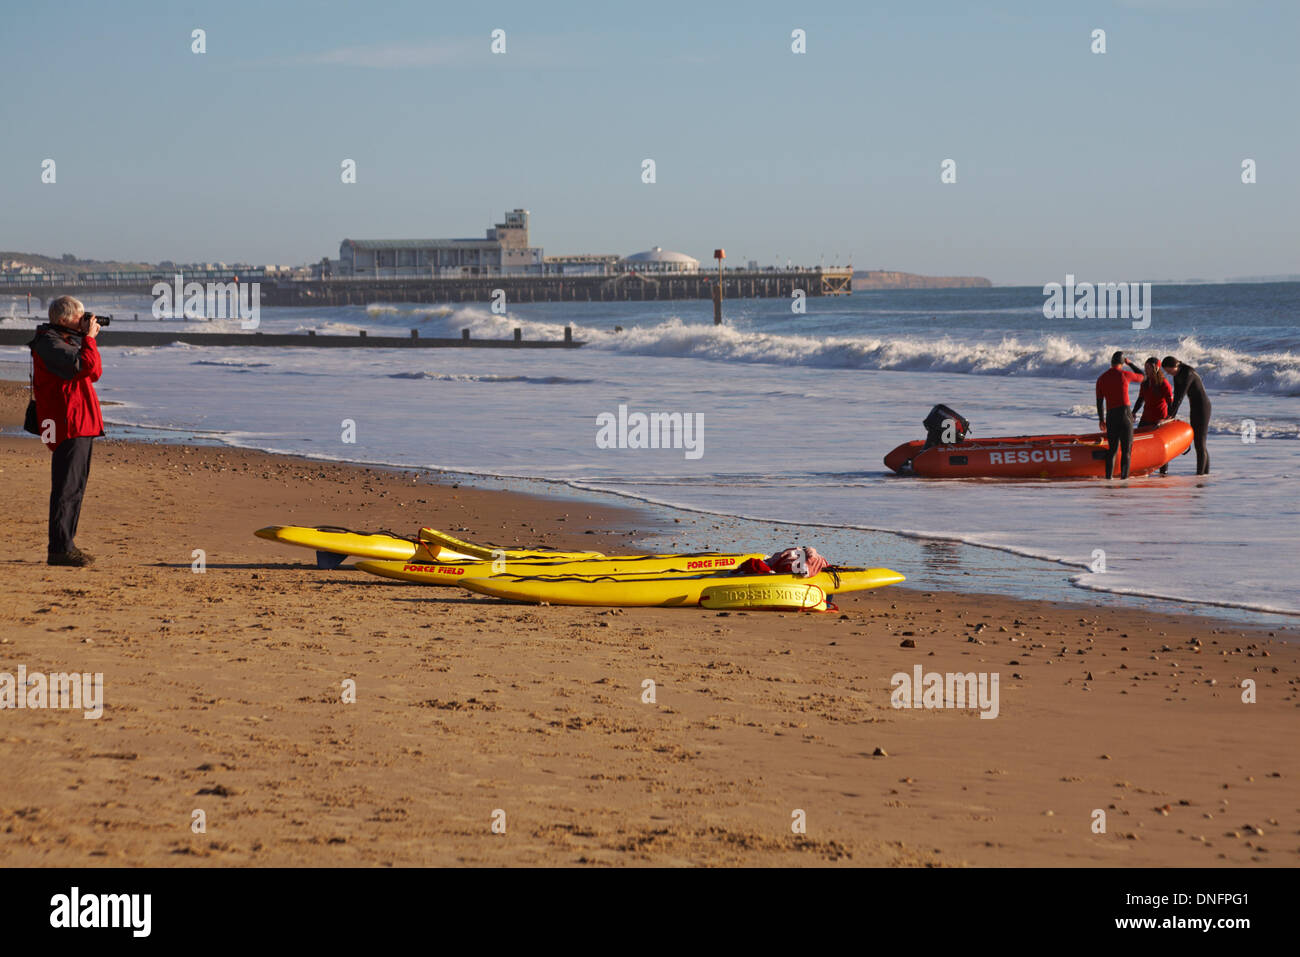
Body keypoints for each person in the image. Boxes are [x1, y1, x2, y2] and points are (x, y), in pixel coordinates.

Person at [28, 296, 104, 565]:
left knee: (75, 487)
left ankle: (66, 544)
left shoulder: (64, 340)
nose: (84, 322)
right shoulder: (49, 343)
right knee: (66, 487)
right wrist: (89, 339)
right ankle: (59, 549)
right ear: (63, 319)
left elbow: (93, 371)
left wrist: (86, 339)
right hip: (66, 423)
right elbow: (84, 367)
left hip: (78, 421)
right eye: (79, 317)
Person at [1095, 351, 1144, 480]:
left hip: (1110, 416)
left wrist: (1101, 419)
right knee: (1127, 451)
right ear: (1122, 363)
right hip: (1124, 414)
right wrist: (1131, 363)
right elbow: (1142, 376)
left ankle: (1108, 479)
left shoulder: (1101, 378)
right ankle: (1124, 479)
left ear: (1111, 362)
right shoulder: (1124, 374)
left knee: (1113, 450)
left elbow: (1099, 401)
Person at [1162, 356, 1211, 475]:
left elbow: (1180, 397)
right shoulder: (1177, 375)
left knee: (1200, 443)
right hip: (1194, 407)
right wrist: (1170, 415)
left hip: (1203, 408)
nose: (1168, 373)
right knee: (1198, 443)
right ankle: (1204, 473)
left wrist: (1171, 416)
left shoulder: (1188, 373)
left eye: (1168, 371)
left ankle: (1200, 475)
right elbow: (1176, 396)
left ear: (1175, 366)